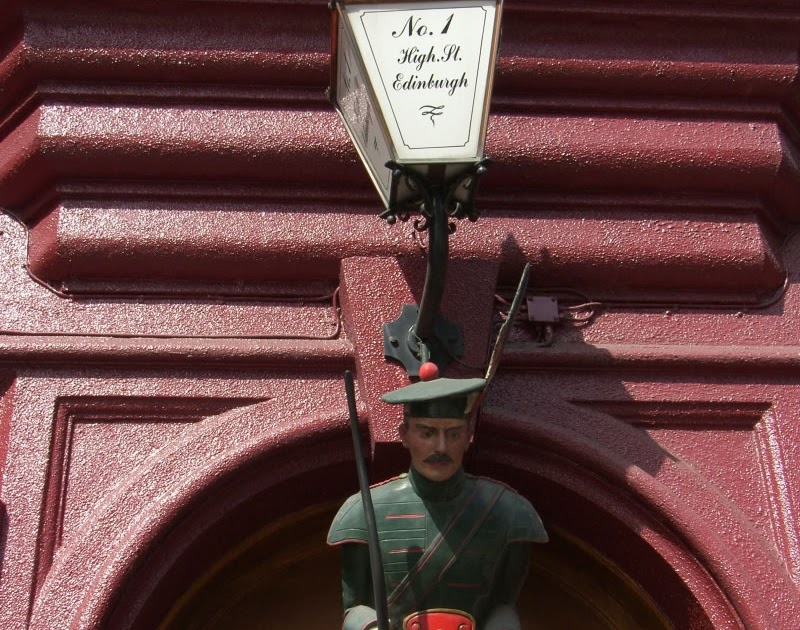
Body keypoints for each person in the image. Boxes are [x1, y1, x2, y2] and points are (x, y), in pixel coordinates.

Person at [328, 376, 548, 630]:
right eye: (427, 433)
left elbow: (504, 605)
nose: (441, 447)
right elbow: (354, 607)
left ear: (468, 437)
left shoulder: (509, 512)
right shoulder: (364, 511)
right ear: (405, 435)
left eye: (452, 434)